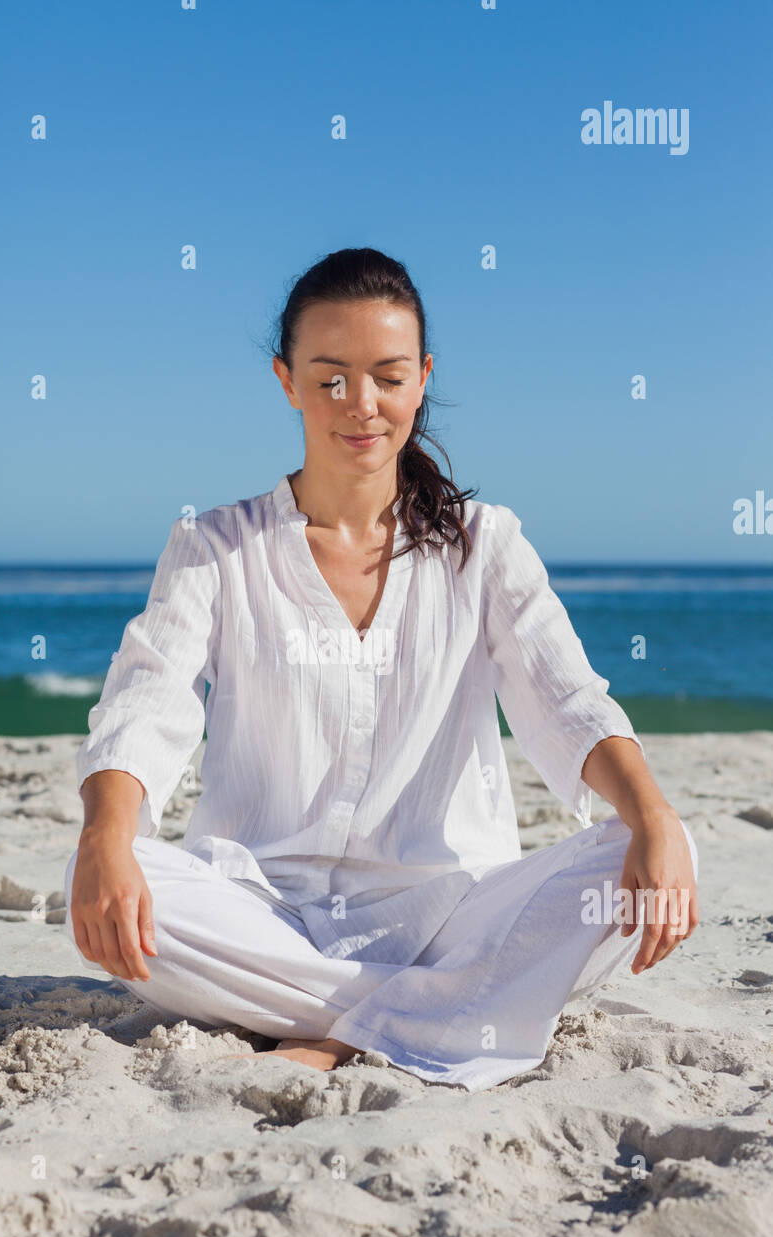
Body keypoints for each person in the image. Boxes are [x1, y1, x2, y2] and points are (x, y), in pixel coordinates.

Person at [64, 246, 700, 1093]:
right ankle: (433, 1015)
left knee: (652, 844)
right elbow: (145, 704)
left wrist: (652, 818)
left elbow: (568, 701)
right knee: (114, 875)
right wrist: (106, 836)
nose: (361, 406)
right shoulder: (214, 547)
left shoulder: (487, 546)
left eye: (388, 377)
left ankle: (336, 1029)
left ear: (423, 378)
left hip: (454, 915)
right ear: (288, 382)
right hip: (265, 916)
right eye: (330, 379)